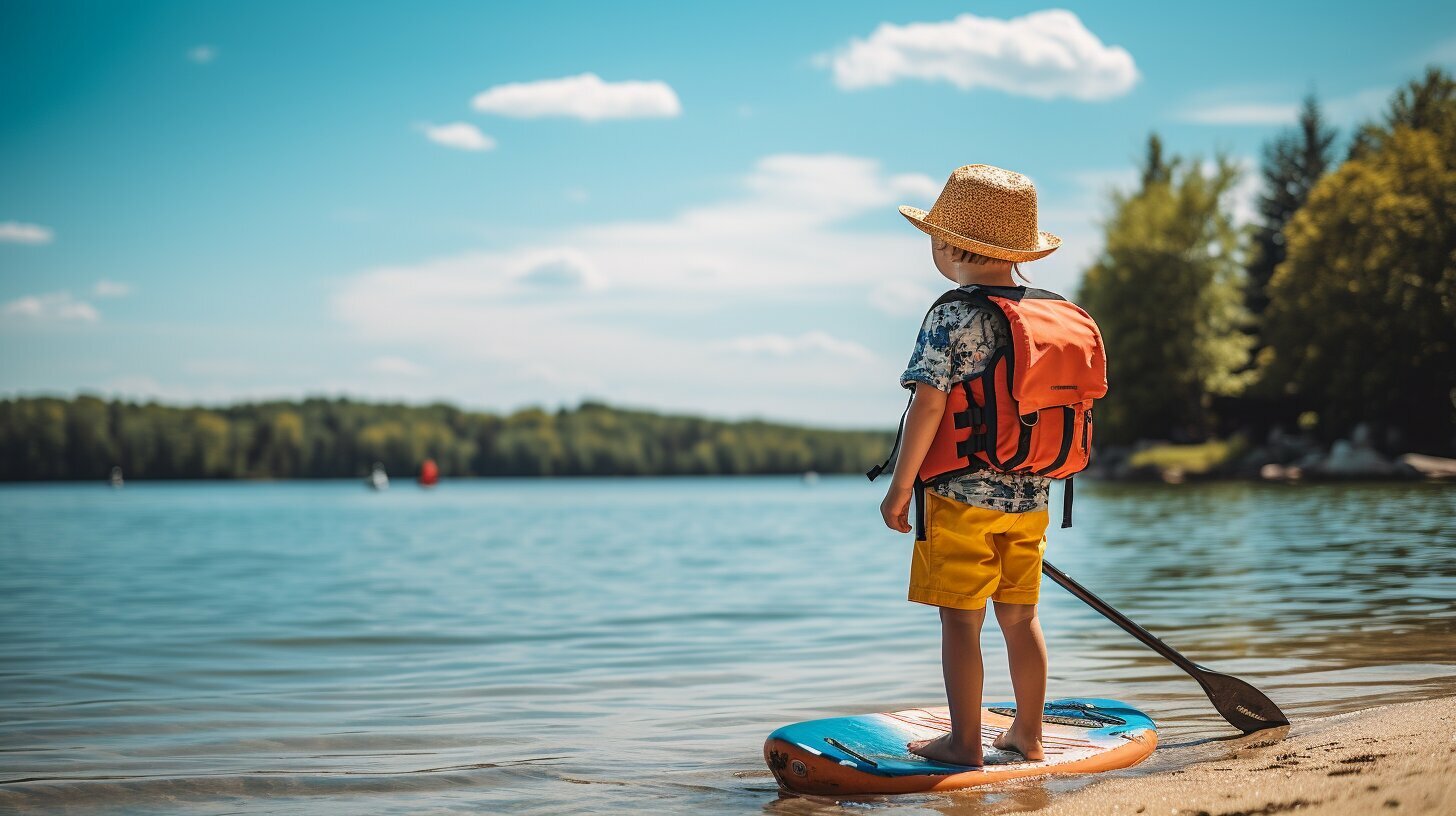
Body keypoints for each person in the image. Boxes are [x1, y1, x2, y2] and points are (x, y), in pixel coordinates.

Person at [879, 165, 1063, 767]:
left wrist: (901, 488)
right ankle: (1028, 735)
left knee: (961, 621)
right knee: (1020, 616)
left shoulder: (952, 315)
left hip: (958, 498)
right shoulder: (1049, 313)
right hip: (1033, 495)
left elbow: (928, 405)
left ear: (954, 245)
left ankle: (964, 744)